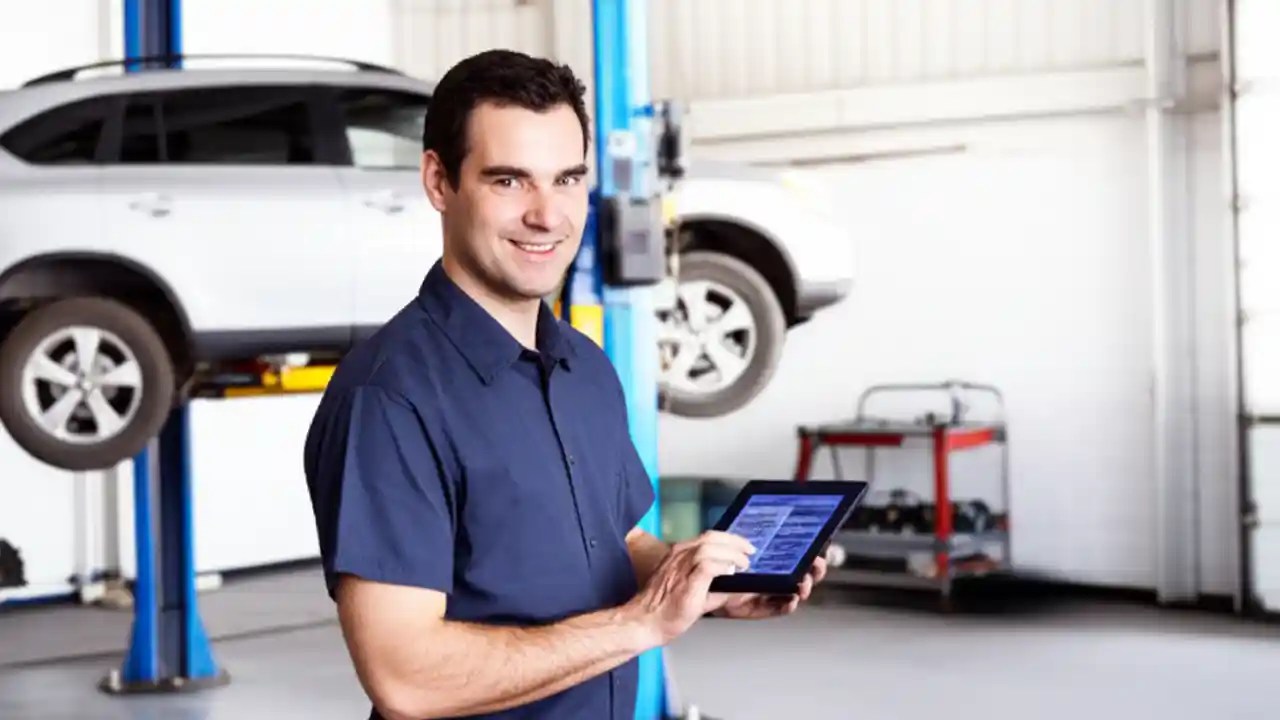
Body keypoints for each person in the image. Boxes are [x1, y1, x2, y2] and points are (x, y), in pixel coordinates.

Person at [302, 48, 828, 720]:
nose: (549, 215)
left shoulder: (585, 368)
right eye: (509, 181)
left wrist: (703, 586)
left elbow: (620, 542)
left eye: (568, 179)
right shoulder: (390, 398)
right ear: (439, 181)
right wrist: (641, 624)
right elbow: (407, 677)